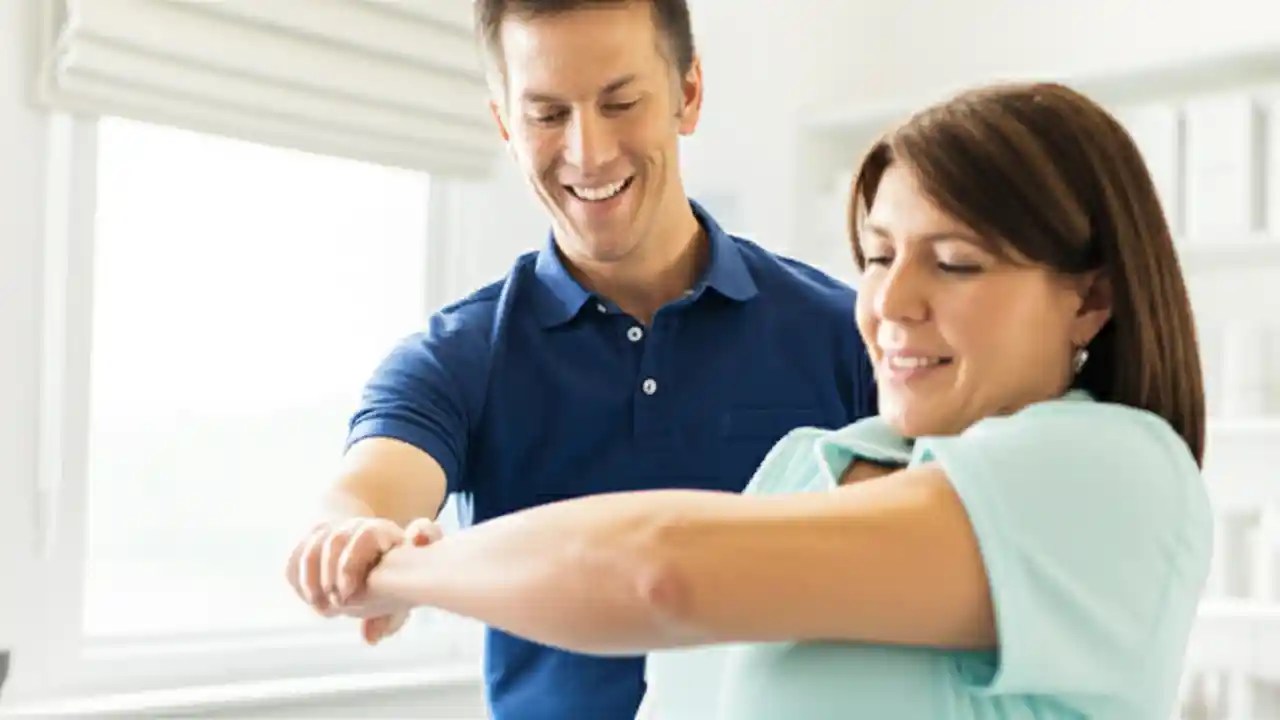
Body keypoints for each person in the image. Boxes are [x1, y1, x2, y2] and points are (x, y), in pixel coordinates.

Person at [328, 81, 1213, 719]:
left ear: (1090, 300)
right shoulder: (806, 461)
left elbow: (661, 573)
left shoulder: (1116, 470)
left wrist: (404, 572)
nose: (890, 304)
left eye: (954, 262)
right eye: (876, 256)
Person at [282, 1, 876, 718]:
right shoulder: (459, 357)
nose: (588, 151)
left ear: (687, 95)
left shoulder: (849, 335)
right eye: (547, 115)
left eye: (620, 102)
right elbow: (363, 495)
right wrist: (357, 544)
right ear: (505, 124)